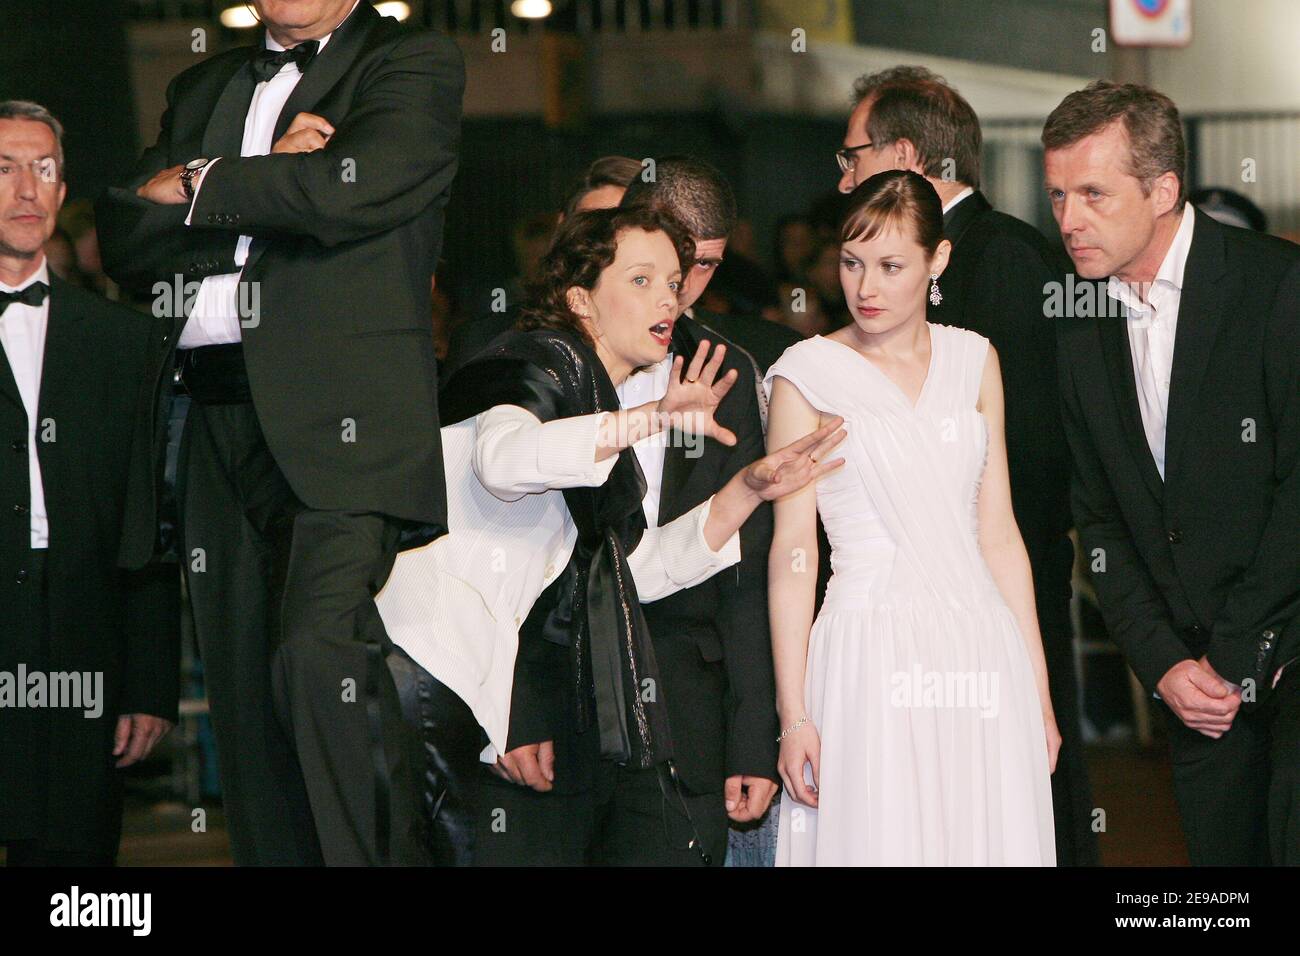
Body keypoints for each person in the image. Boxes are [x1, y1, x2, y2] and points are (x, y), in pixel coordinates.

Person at [95, 0, 466, 865]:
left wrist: (197, 183)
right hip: (207, 418)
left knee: (315, 657)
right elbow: (122, 232)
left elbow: (351, 191)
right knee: (248, 706)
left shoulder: (412, 62)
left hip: (344, 422)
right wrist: (266, 174)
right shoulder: (201, 83)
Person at [378, 205, 844, 865]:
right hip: (421, 667)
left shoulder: (602, 408)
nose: (669, 296)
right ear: (580, 299)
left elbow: (639, 571)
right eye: (641, 279)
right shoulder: (536, 358)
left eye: (674, 279)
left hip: (460, 680)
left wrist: (748, 490)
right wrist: (652, 417)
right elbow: (505, 462)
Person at [837, 65, 1094, 864]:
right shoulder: (901, 263)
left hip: (996, 579)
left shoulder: (1004, 256)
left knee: (1027, 780)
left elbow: (1034, 450)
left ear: (906, 155)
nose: (842, 176)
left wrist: (981, 566)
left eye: (851, 155)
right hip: (921, 587)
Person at [767, 170, 1058, 866]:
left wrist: (1039, 696)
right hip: (869, 650)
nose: (866, 288)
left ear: (939, 260)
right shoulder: (804, 374)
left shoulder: (975, 358)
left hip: (981, 647)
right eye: (852, 262)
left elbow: (1000, 536)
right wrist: (793, 714)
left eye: (892, 266)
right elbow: (791, 555)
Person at [1044, 81, 1300, 865]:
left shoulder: (1275, 287)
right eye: (1056, 195)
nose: (1068, 219)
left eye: (1092, 192)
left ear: (1163, 190)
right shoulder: (1077, 317)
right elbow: (1100, 518)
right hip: (1191, 689)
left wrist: (1232, 654)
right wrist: (1165, 665)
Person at [0, 101, 178, 866]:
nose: (25, 189)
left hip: (81, 623)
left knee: (74, 865)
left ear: (64, 187)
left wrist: (148, 682)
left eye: (43, 169)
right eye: (4, 166)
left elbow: (147, 517)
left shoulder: (123, 340)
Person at [443, 155, 643, 378]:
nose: (606, 246)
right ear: (562, 229)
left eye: (629, 229)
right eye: (591, 229)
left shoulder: (678, 346)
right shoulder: (488, 341)